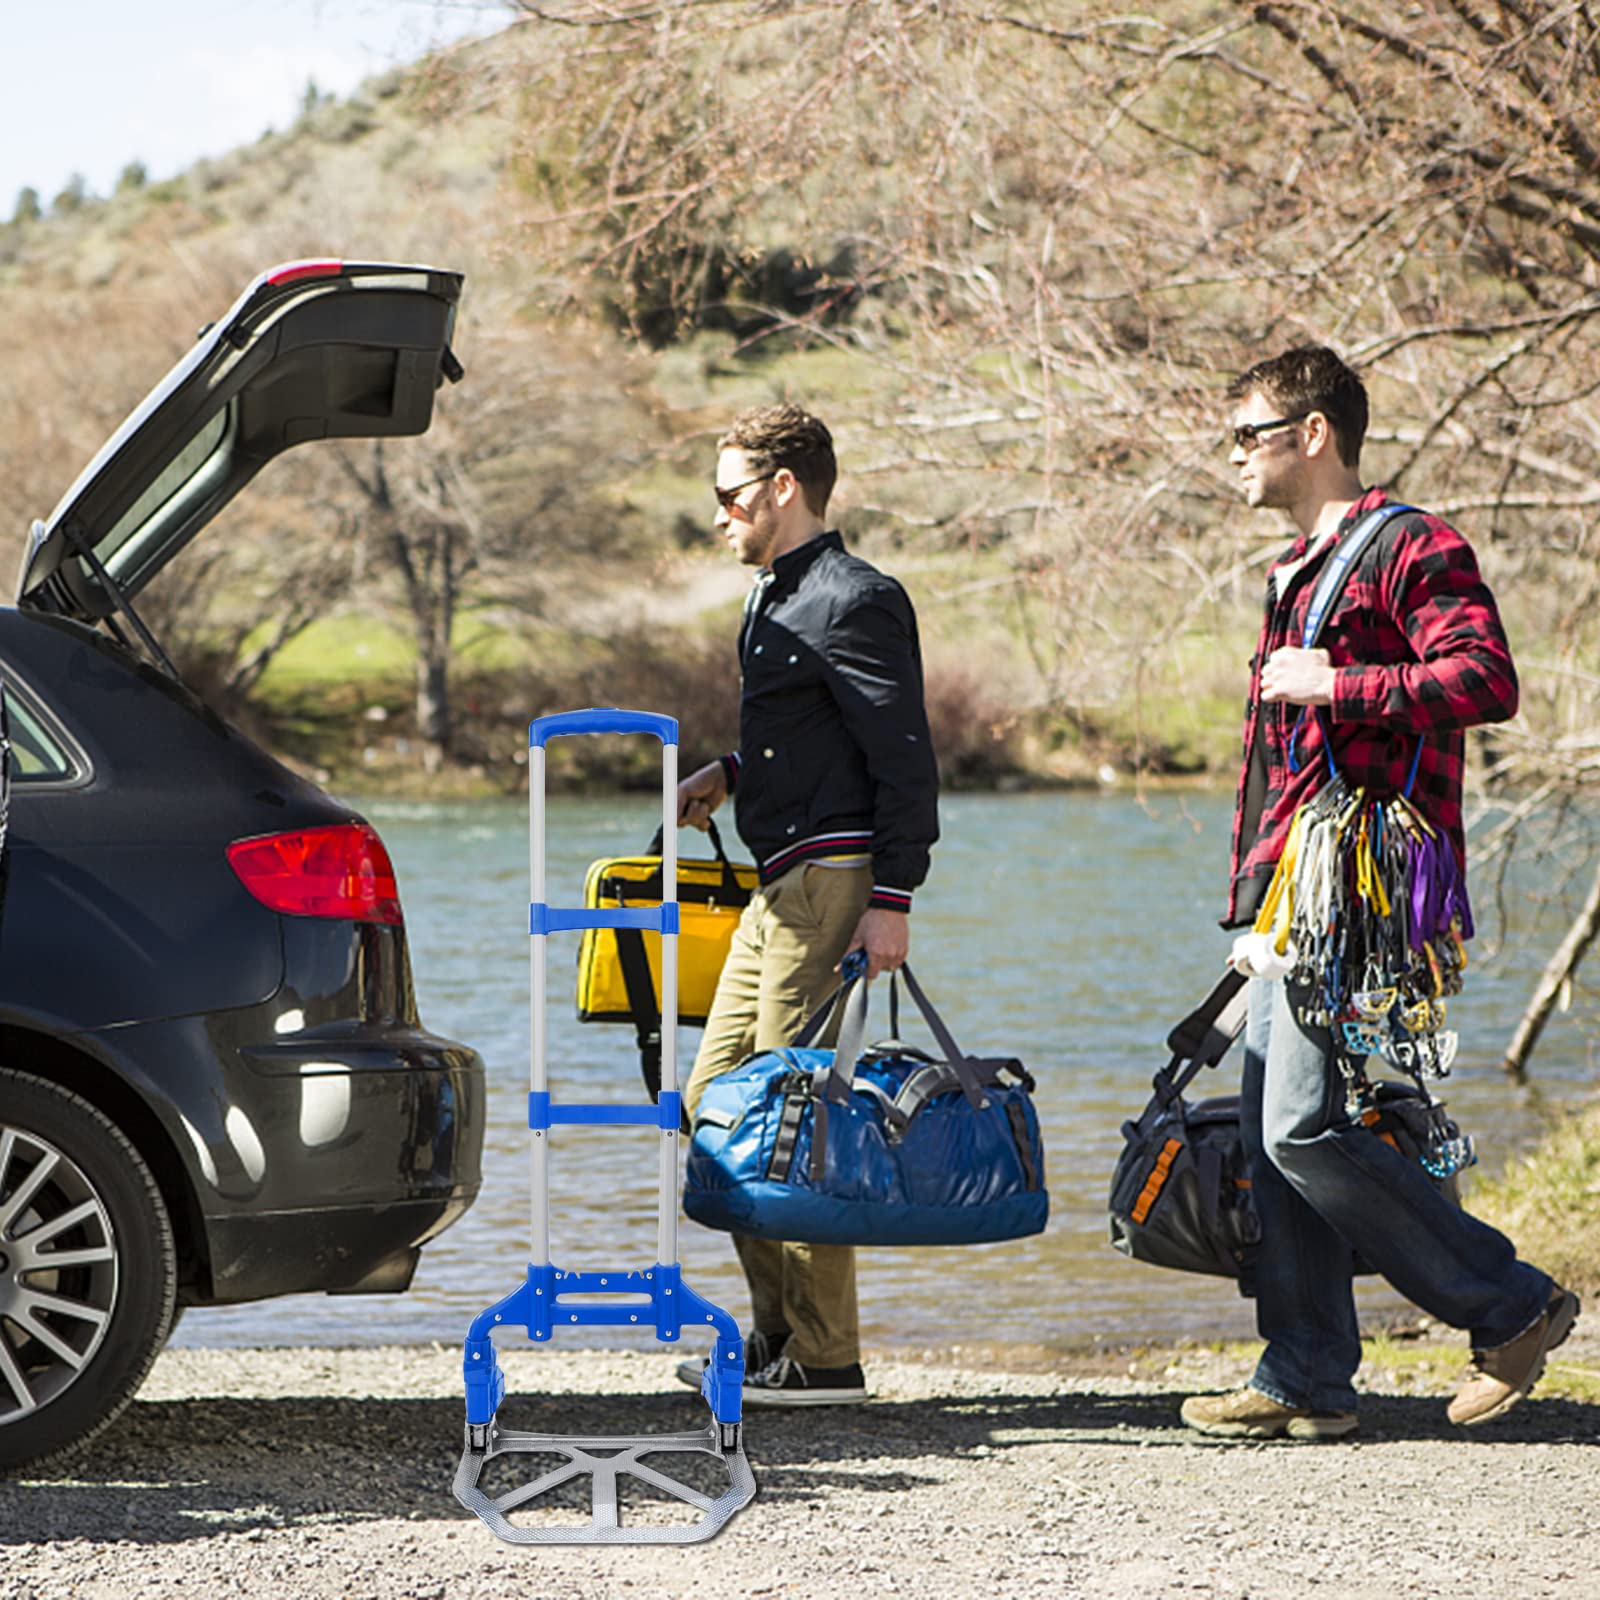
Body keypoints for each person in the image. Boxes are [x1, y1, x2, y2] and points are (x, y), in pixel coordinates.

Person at [1181, 345, 1578, 1440]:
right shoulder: (1294, 571)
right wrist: (1252, 913)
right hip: (1291, 897)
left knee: (1305, 1127)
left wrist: (1338, 680)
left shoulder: (1410, 543)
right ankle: (1305, 1372)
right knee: (1270, 1132)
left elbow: (1484, 679)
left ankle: (1511, 1303)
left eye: (1247, 435)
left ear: (1313, 433)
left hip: (1363, 881)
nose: (1233, 458)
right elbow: (1283, 773)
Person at [675, 402, 939, 1407]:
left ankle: (824, 1358)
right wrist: (734, 771)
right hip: (778, 880)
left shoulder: (854, 597)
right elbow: (817, 732)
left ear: (784, 488)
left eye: (728, 495)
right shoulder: (775, 598)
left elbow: (901, 756)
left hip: (830, 882)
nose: (718, 516)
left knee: (793, 1118)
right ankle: (779, 1339)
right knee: (715, 1104)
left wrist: (893, 896)